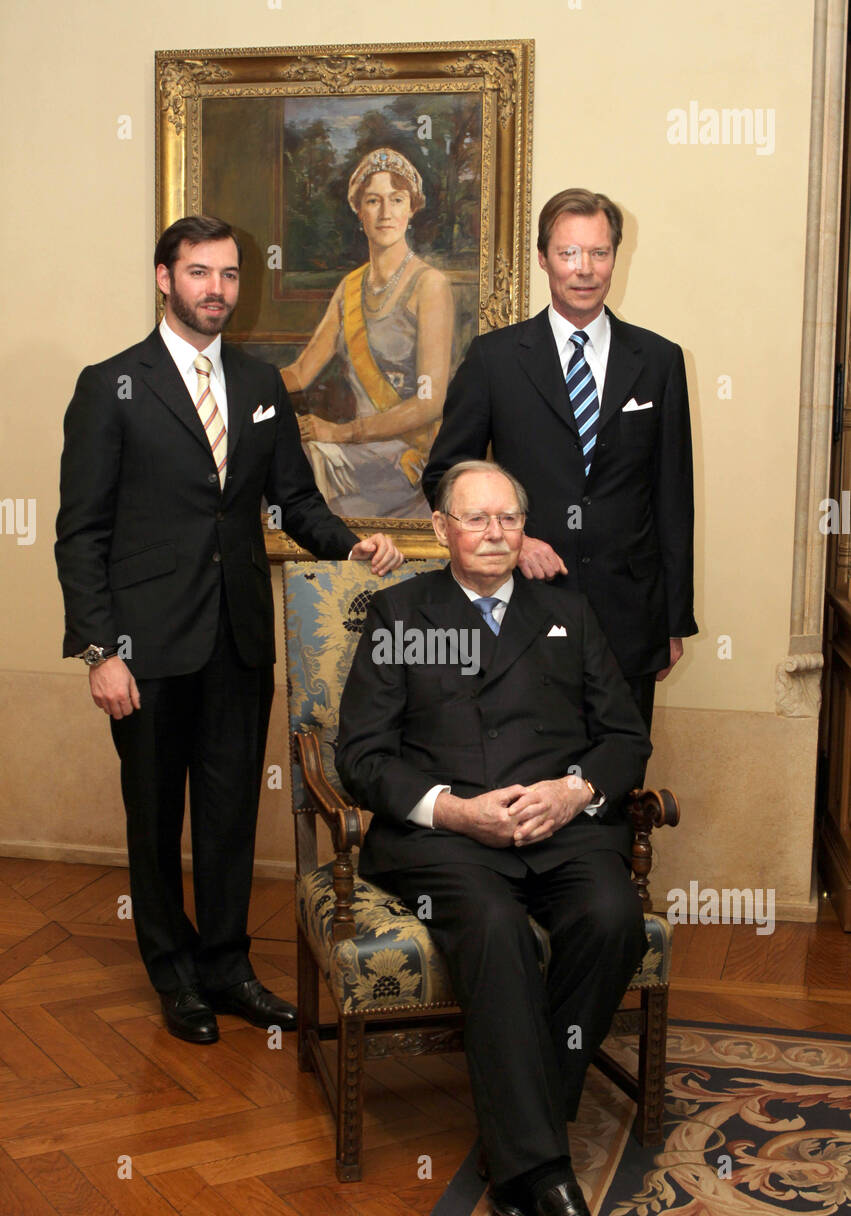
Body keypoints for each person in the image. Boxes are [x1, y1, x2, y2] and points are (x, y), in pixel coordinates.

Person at [55, 215, 403, 1047]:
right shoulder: (112, 386)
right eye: (200, 273)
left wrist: (351, 541)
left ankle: (227, 966)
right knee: (153, 818)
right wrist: (100, 652)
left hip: (238, 641)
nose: (217, 289)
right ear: (163, 279)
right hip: (143, 649)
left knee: (227, 812)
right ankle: (173, 976)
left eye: (230, 276)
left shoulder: (257, 385)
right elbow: (81, 534)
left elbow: (293, 499)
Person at [336, 460, 651, 1216]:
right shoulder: (400, 614)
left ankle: (515, 1140)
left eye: (507, 518)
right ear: (440, 530)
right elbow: (360, 759)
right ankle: (547, 1177)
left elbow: (623, 738)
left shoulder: (567, 612)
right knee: (498, 931)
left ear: (523, 527)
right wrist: (453, 809)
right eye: (473, 519)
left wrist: (574, 789)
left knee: (612, 917)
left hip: (558, 829)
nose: (492, 533)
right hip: (448, 839)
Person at [423, 188, 697, 731]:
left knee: (614, 785)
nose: (585, 269)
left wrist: (674, 619)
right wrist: (514, 540)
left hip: (629, 619)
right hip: (517, 610)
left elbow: (674, 497)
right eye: (569, 253)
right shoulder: (494, 359)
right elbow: (443, 477)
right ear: (544, 258)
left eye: (599, 253)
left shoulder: (660, 361)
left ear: (616, 257)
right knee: (528, 783)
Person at [281, 147, 455, 520]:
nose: (386, 212)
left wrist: (342, 433)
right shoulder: (350, 286)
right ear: (359, 212)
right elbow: (299, 373)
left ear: (412, 209)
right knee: (281, 461)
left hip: (408, 460)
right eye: (373, 201)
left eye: (397, 199)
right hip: (356, 456)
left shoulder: (430, 285)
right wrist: (232, 381)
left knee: (309, 466)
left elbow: (430, 403)